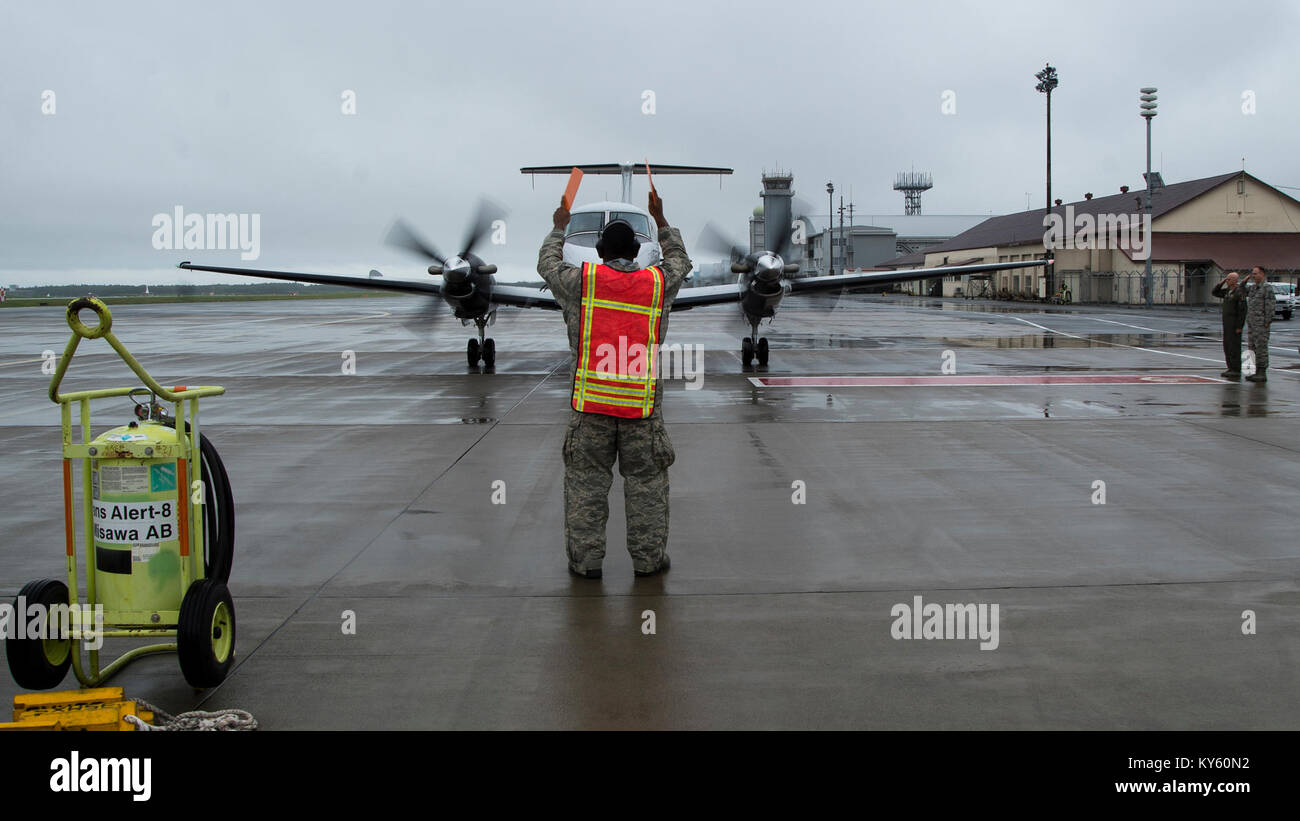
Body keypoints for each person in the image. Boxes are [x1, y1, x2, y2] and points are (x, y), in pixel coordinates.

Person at [537, 190, 692, 578]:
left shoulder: (582, 282)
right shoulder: (657, 284)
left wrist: (559, 227)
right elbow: (681, 261)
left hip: (592, 408)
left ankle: (586, 563)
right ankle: (648, 560)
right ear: (638, 253)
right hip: (641, 409)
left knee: (586, 486)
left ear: (600, 251)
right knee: (646, 486)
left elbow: (547, 264)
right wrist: (661, 219)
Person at [1211, 271, 1248, 379]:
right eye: (1227, 279)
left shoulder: (1239, 292)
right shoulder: (1228, 291)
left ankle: (1236, 369)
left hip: (1234, 323)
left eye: (1229, 279)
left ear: (1235, 280)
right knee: (1227, 346)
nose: (1227, 281)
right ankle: (1230, 367)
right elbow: (1214, 292)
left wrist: (1239, 326)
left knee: (1234, 347)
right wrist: (1221, 282)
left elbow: (1243, 310)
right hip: (1227, 323)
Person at [1243, 266, 1272, 383]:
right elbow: (1240, 291)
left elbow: (1270, 306)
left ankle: (1262, 372)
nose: (1253, 276)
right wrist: (1244, 281)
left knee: (1261, 348)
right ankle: (1255, 371)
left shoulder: (1267, 288)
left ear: (1262, 274)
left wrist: (1267, 322)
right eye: (1252, 274)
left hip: (1261, 324)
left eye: (1255, 274)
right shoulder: (1253, 288)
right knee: (1252, 348)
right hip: (1252, 323)